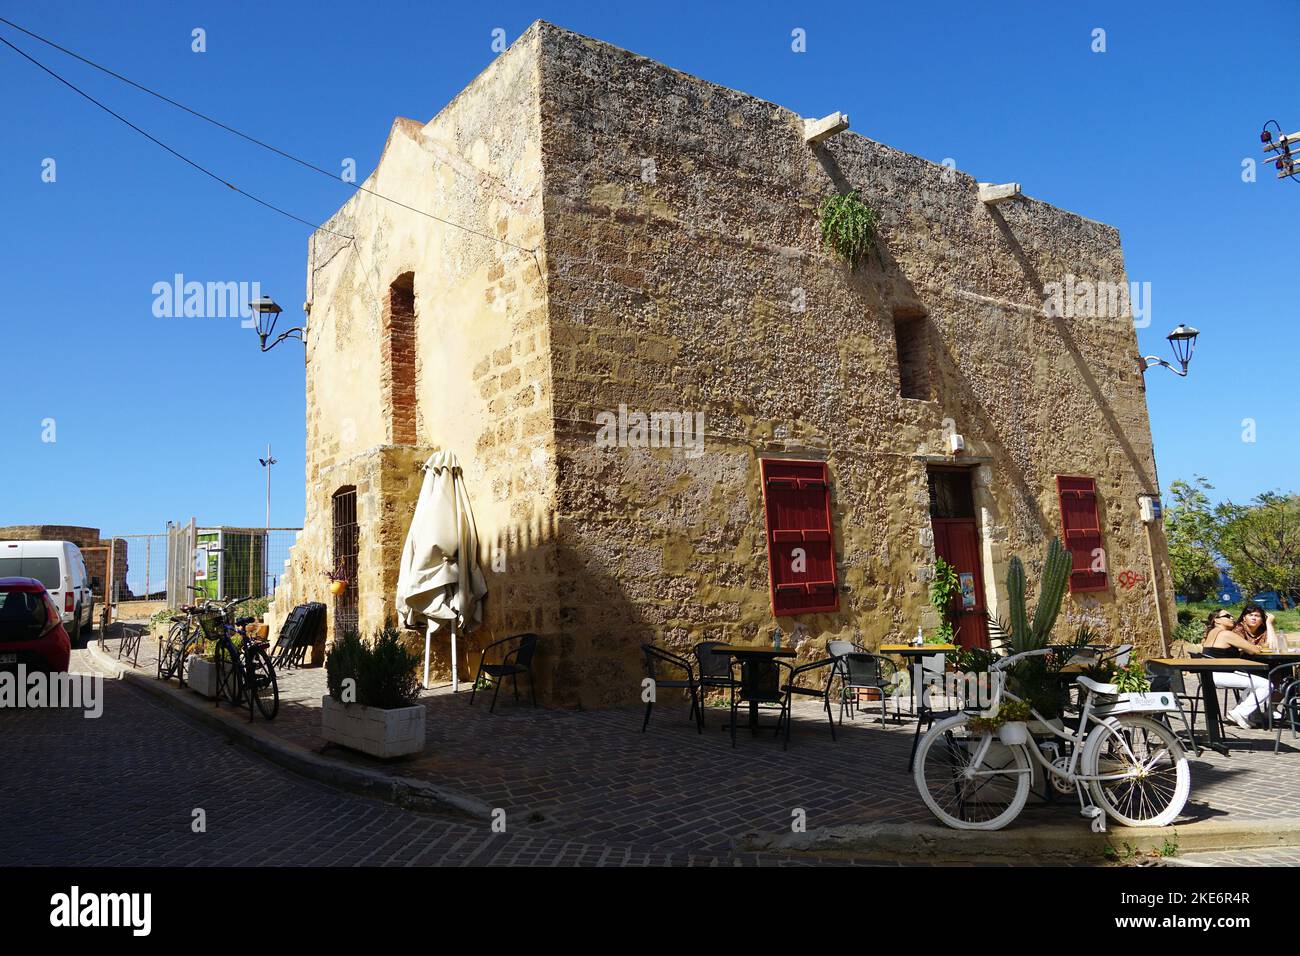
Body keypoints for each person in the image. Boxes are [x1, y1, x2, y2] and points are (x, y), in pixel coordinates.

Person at [1202, 604, 1276, 730]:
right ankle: (1240, 712)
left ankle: (1251, 714)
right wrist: (1254, 648)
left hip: (1209, 674)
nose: (1232, 618)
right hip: (1219, 675)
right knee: (1267, 685)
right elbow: (1254, 650)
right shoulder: (1225, 634)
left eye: (1231, 616)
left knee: (1255, 680)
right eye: (1227, 616)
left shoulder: (1213, 633)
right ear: (1216, 620)